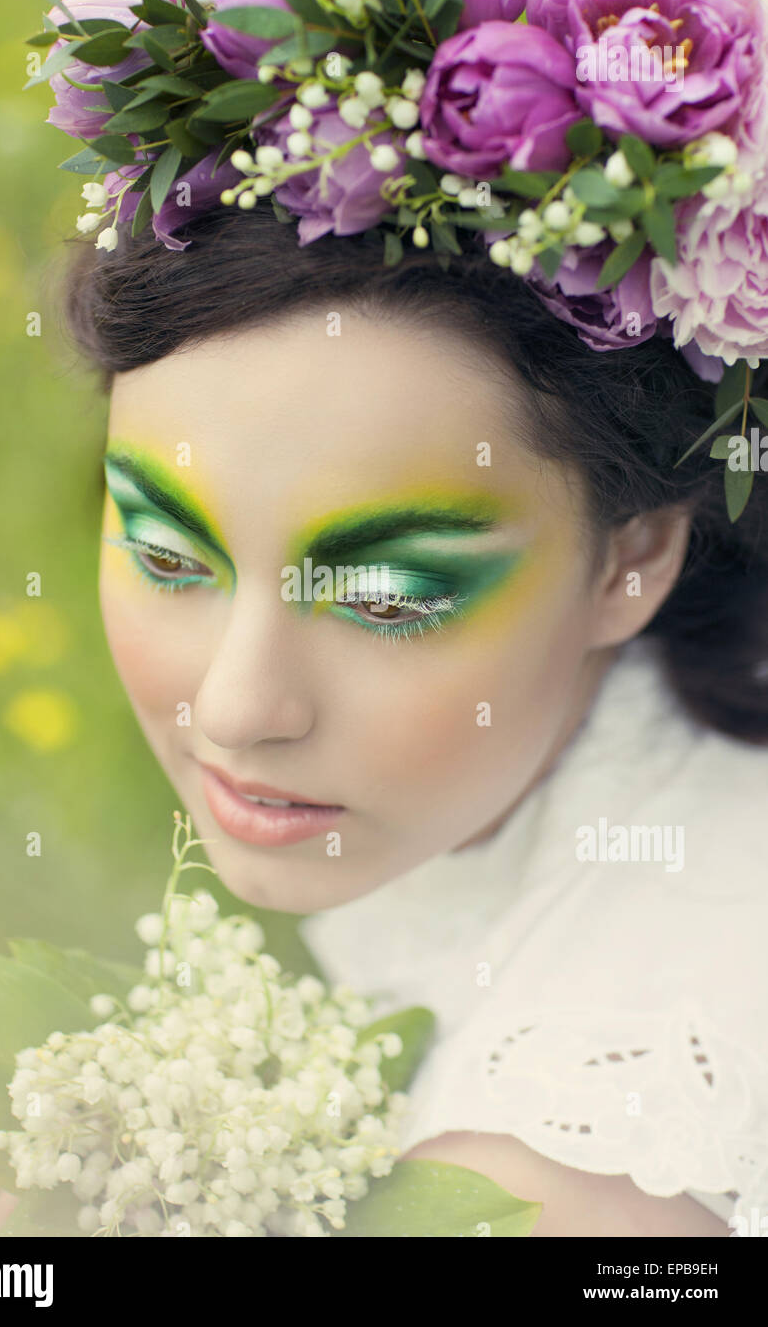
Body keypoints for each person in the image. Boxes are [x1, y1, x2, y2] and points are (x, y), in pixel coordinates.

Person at [43, 208, 766, 1236]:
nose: (238, 708)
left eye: (382, 597)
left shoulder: (552, 1185)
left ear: (631, 556)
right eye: (167, 556)